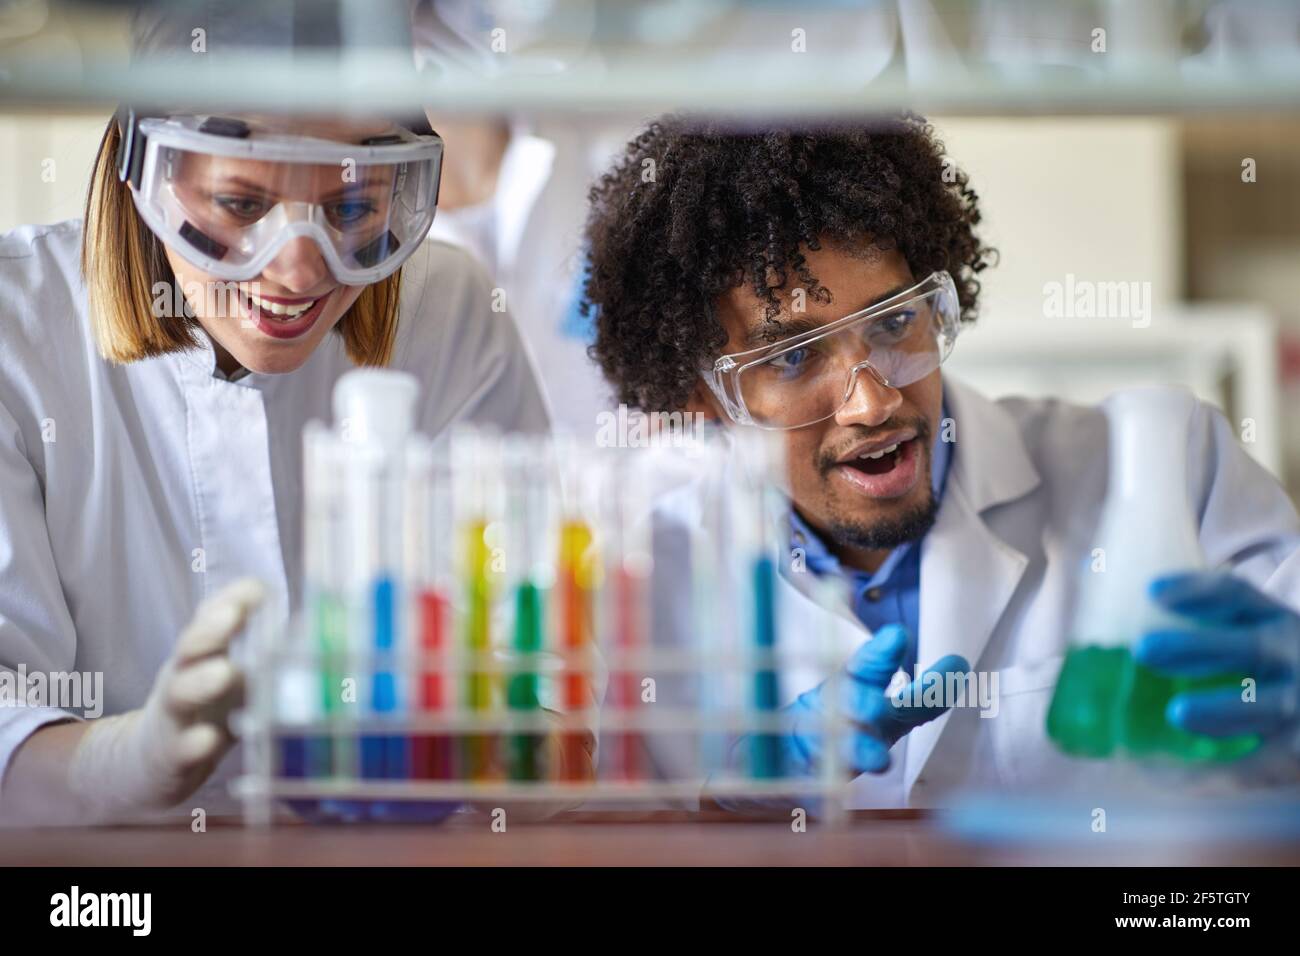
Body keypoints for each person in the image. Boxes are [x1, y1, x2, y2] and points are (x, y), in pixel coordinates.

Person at [578, 114, 1300, 808]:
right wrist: (738, 800)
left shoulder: (1169, 469)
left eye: (895, 322)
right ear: (702, 395)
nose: (871, 403)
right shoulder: (644, 580)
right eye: (793, 356)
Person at [0, 90, 598, 825]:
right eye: (241, 204)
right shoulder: (15, 326)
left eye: (350, 210)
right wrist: (129, 761)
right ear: (140, 165)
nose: (298, 272)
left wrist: (494, 738)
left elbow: (552, 703)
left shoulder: (448, 311)